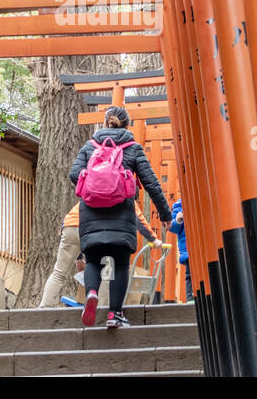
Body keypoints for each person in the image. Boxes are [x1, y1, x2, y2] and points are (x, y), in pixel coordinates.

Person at [69, 106, 170, 328]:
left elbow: (74, 174)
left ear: (105, 123)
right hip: (122, 213)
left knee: (93, 260)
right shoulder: (132, 148)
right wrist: (165, 214)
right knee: (121, 264)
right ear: (127, 125)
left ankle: (92, 293)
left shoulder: (89, 146)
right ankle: (115, 314)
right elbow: (151, 182)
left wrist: (94, 187)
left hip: (91, 211)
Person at [38, 200, 162, 308]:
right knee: (106, 273)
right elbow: (138, 218)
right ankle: (100, 309)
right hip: (94, 229)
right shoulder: (121, 192)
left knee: (59, 273)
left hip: (71, 225)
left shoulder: (92, 188)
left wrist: (80, 257)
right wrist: (153, 239)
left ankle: (43, 309)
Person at [168, 199, 192, 301]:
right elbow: (172, 227)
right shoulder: (179, 206)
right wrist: (178, 220)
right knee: (190, 275)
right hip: (188, 247)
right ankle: (190, 298)